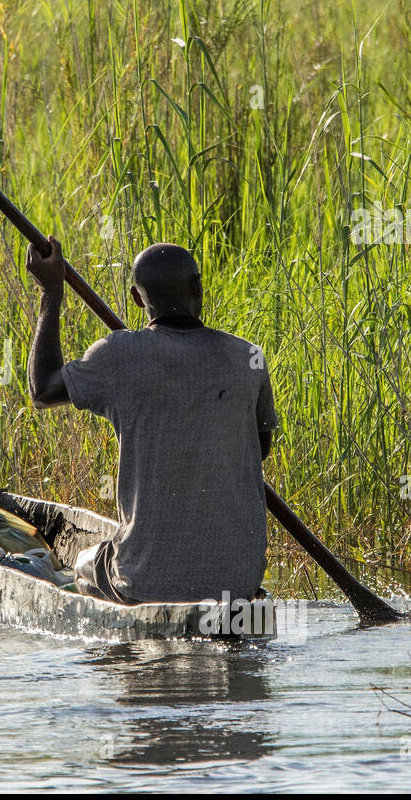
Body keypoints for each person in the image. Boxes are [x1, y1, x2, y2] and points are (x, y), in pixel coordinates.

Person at [26, 237, 278, 604]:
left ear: (136, 297)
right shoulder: (248, 357)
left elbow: (42, 390)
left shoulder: (119, 354)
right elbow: (259, 450)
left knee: (81, 563)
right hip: (237, 585)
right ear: (198, 288)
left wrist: (51, 294)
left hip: (146, 583)